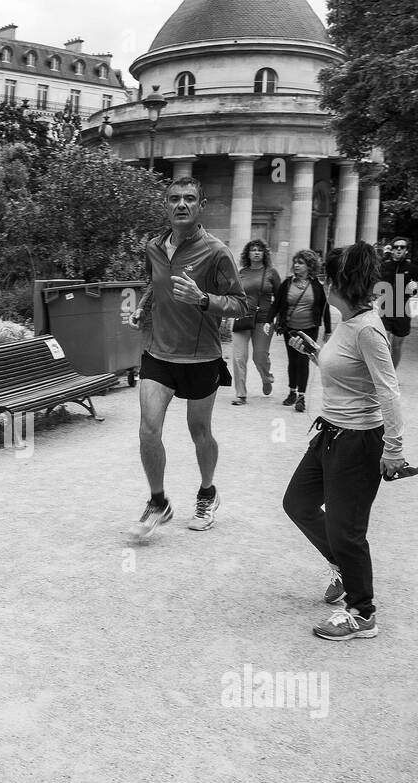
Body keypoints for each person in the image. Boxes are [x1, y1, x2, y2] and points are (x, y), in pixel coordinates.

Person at [282, 241, 411, 640]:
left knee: (346, 528)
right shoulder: (348, 323)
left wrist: (394, 448)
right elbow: (346, 370)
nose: (323, 283)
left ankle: (362, 613)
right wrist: (316, 352)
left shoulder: (369, 329)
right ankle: (341, 565)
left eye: (327, 278)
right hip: (330, 433)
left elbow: (388, 390)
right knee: (299, 503)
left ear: (338, 283)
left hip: (359, 441)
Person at [128, 176, 248, 537]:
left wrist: (203, 299)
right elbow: (155, 283)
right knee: (148, 430)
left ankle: (207, 492)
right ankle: (158, 501)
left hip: (201, 358)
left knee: (200, 432)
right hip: (158, 355)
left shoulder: (216, 252)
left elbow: (241, 304)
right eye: (174, 198)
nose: (181, 204)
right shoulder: (152, 247)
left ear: (201, 206)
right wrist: (143, 307)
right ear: (165, 205)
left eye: (190, 199)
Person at [271, 249, 331, 413]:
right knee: (292, 360)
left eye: (300, 263)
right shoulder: (287, 283)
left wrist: (328, 329)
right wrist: (269, 320)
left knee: (303, 360)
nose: (296, 265)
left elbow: (324, 308)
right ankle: (292, 392)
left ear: (309, 266)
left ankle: (301, 397)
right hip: (289, 328)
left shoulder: (316, 286)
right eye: (295, 262)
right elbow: (277, 304)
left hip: (310, 328)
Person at [231, 239, 279, 405]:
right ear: (248, 253)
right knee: (238, 357)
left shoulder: (271, 273)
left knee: (259, 356)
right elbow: (233, 294)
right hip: (243, 318)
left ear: (264, 253)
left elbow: (279, 299)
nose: (256, 252)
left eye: (259, 250)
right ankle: (241, 394)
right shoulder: (241, 272)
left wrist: (278, 318)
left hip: (264, 321)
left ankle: (266, 378)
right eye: (253, 250)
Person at [378, 236, 416, 369]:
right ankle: (383, 374)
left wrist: (415, 289)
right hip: (385, 309)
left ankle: (392, 375)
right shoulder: (384, 266)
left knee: (396, 346)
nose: (399, 249)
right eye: (396, 247)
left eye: (402, 247)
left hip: (403, 311)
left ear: (406, 251)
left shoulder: (411, 268)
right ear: (392, 250)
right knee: (383, 344)